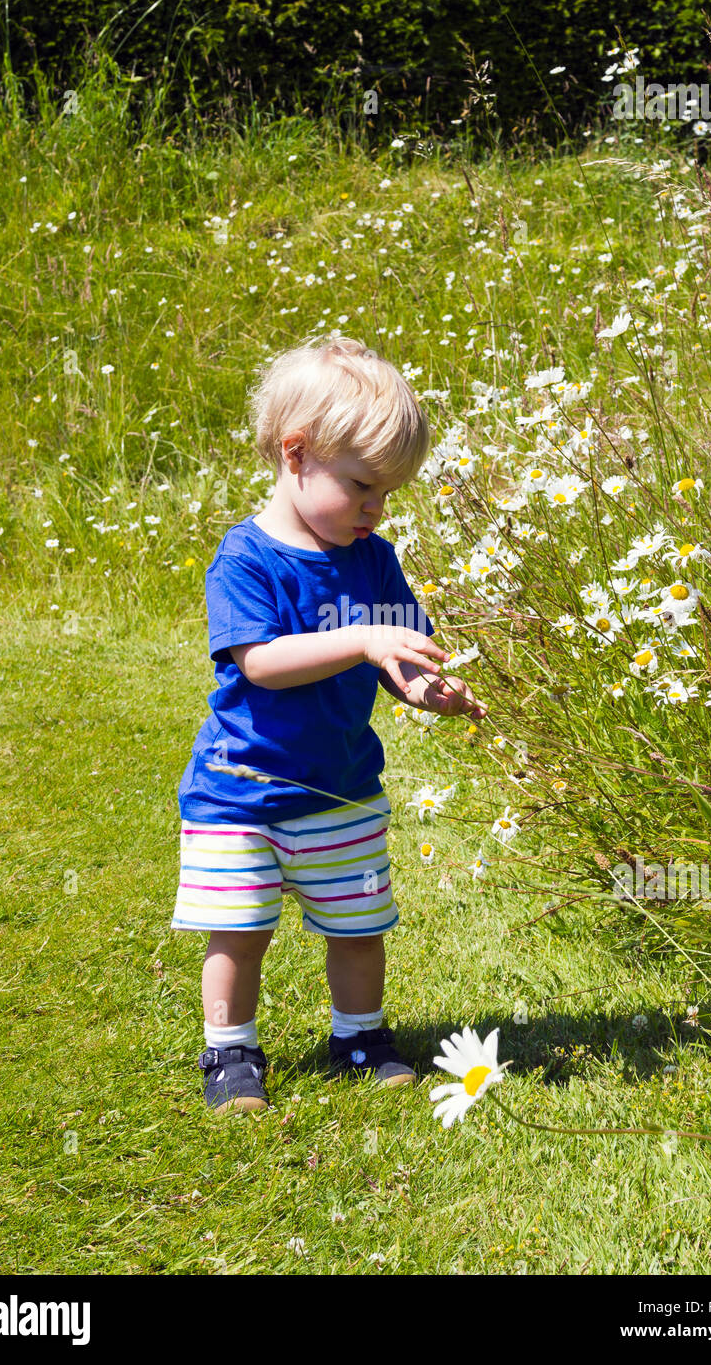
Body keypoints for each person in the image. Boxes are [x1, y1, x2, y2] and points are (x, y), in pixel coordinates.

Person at [173, 336, 487, 1113]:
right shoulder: (245, 559)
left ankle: (361, 1036)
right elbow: (261, 662)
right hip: (240, 791)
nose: (377, 509)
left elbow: (396, 655)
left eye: (389, 493)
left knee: (357, 926)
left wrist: (423, 688)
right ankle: (230, 1051)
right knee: (240, 933)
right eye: (363, 487)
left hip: (341, 788)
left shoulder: (371, 558)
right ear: (297, 454)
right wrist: (364, 639)